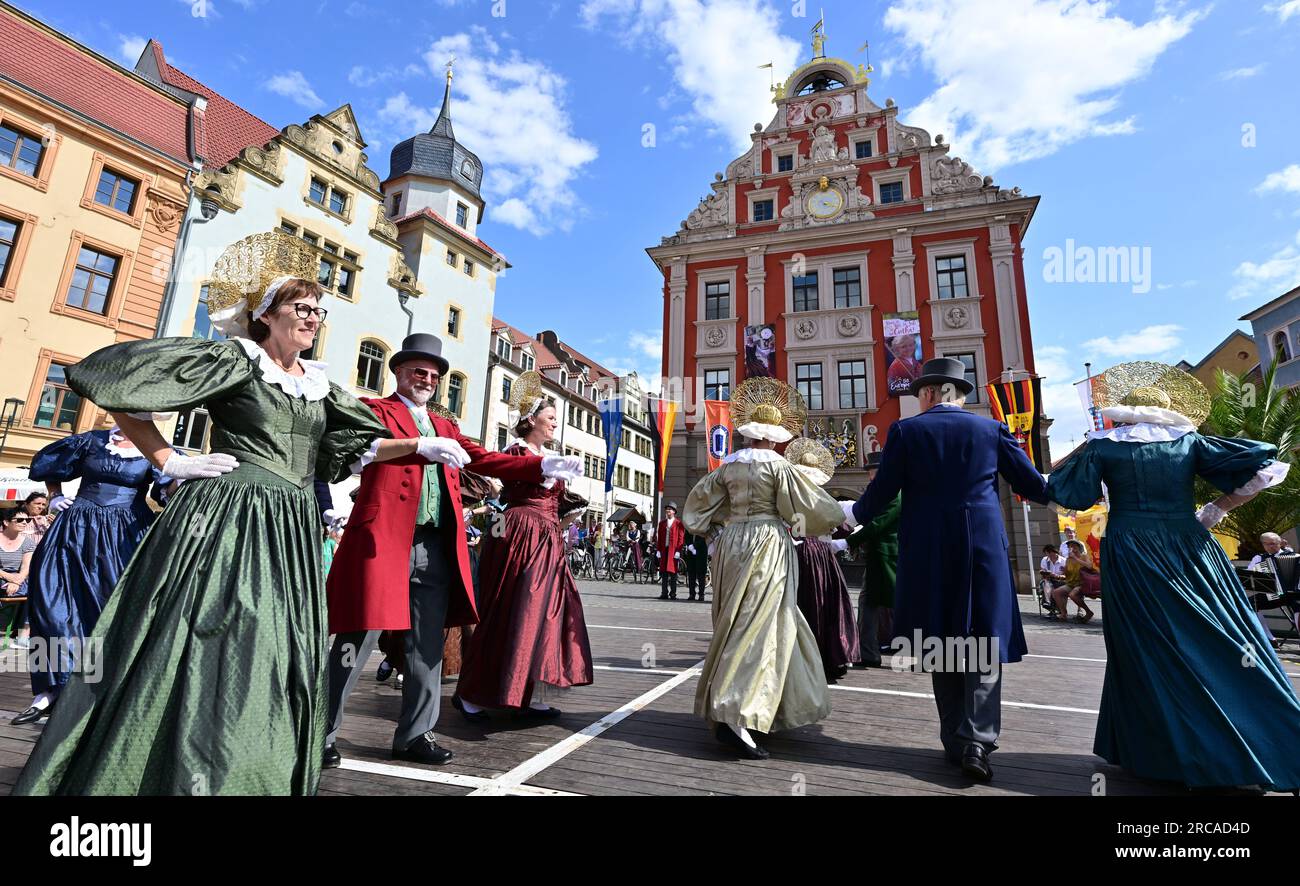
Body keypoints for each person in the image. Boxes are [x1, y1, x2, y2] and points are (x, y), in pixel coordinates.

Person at [10, 231, 454, 796]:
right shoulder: (234, 361)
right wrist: (169, 458)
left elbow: (356, 447)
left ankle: (254, 766)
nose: (314, 317)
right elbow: (119, 387)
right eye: (303, 307)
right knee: (215, 637)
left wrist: (417, 446)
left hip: (291, 525)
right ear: (266, 316)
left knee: (276, 646)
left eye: (319, 310)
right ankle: (179, 765)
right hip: (231, 518)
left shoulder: (318, 387)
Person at [322, 339, 579, 767]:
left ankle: (415, 734)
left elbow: (485, 460)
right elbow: (353, 453)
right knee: (357, 639)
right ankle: (323, 733)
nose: (426, 380)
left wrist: (541, 467)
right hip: (384, 541)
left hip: (435, 544)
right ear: (399, 372)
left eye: (433, 375)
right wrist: (415, 447)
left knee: (427, 644)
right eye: (418, 372)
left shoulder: (445, 424)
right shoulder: (376, 410)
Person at [1048, 361, 1300, 792]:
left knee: (1142, 644)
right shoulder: (1189, 442)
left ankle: (1162, 751)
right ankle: (1276, 740)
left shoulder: (1103, 445)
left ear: (1124, 411)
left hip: (1130, 548)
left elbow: (1065, 493)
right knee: (1221, 635)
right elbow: (1260, 471)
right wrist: (1214, 510)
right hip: (1189, 546)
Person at [846, 357, 1049, 782]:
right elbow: (1034, 485)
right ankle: (978, 739)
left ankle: (955, 740)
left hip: (928, 549)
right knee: (983, 638)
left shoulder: (907, 430)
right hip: (982, 548)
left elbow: (882, 491)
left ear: (930, 393)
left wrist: (851, 516)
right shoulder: (991, 429)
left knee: (941, 637)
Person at [684, 378, 845, 759]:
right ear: (774, 438)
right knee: (760, 625)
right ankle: (738, 714)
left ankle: (746, 709)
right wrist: (835, 519)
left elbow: (697, 505)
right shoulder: (779, 467)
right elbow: (809, 509)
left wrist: (716, 529)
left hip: (731, 546)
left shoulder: (726, 468)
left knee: (733, 622)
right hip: (768, 547)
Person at [10, 422, 173, 726]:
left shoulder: (157, 448)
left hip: (123, 537)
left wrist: (184, 476)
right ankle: (48, 691)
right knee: (51, 609)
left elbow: (168, 490)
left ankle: (95, 693)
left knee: (107, 614)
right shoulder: (92, 441)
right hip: (74, 531)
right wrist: (55, 496)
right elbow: (49, 464)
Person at [454, 371, 592, 722]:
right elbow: (511, 476)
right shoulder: (516, 452)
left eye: (555, 420)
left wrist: (569, 511)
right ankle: (471, 692)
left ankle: (525, 692)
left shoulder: (550, 456)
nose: (554, 426)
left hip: (547, 538)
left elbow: (553, 498)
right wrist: (544, 471)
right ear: (530, 420)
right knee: (511, 609)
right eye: (549, 419)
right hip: (521, 534)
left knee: (544, 613)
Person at [785, 438, 858, 681]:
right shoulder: (822, 498)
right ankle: (829, 658)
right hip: (822, 555)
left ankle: (803, 660)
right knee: (826, 605)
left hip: (799, 553)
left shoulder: (792, 497)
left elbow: (788, 527)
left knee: (804, 605)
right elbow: (840, 524)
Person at [848, 451, 899, 668]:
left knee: (900, 603)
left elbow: (880, 523)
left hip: (891, 556)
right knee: (868, 601)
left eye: (874, 472)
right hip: (878, 556)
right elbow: (864, 514)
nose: (871, 476)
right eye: (869, 472)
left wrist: (849, 540)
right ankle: (867, 651)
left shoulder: (894, 491)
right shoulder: (876, 491)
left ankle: (923, 652)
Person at [0, 508, 35, 649]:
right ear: (6, 522)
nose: (24, 523)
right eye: (20, 520)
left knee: (36, 591)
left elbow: (26, 568)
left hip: (18, 579)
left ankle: (23, 636)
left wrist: (17, 581)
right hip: (4, 576)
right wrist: (10, 579)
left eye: (27, 520)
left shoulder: (27, 542)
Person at [1058, 539, 1100, 623]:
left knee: (1072, 595)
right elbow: (1067, 574)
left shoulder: (1084, 556)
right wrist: (1064, 570)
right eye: (1070, 546)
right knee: (1056, 592)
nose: (1072, 548)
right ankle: (1064, 614)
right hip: (1071, 583)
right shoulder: (1068, 559)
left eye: (1074, 546)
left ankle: (1088, 612)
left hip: (1083, 583)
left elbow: (1089, 566)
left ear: (1078, 547)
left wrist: (1075, 558)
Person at [656, 502, 686, 600]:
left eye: (670, 509)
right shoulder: (662, 523)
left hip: (673, 551)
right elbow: (659, 538)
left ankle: (673, 594)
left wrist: (678, 551)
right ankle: (664, 593)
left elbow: (681, 539)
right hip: (664, 551)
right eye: (667, 509)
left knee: (673, 573)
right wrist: (658, 550)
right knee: (664, 572)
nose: (668, 511)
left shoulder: (678, 524)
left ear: (674, 512)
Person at [1038, 544, 1068, 618]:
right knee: (1046, 584)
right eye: (1047, 554)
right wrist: (1044, 573)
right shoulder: (1045, 560)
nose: (1049, 556)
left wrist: (1058, 576)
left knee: (1054, 587)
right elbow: (1043, 571)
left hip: (1061, 581)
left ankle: (1051, 606)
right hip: (1049, 580)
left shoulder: (1063, 561)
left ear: (1055, 552)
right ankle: (1049, 605)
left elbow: (1067, 575)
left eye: (1050, 553)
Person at [683, 531, 709, 602]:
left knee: (701, 574)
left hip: (701, 551)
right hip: (690, 551)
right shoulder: (690, 524)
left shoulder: (703, 525)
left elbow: (705, 537)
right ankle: (692, 594)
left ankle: (701, 594)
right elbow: (686, 536)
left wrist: (695, 546)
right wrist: (689, 545)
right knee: (691, 574)